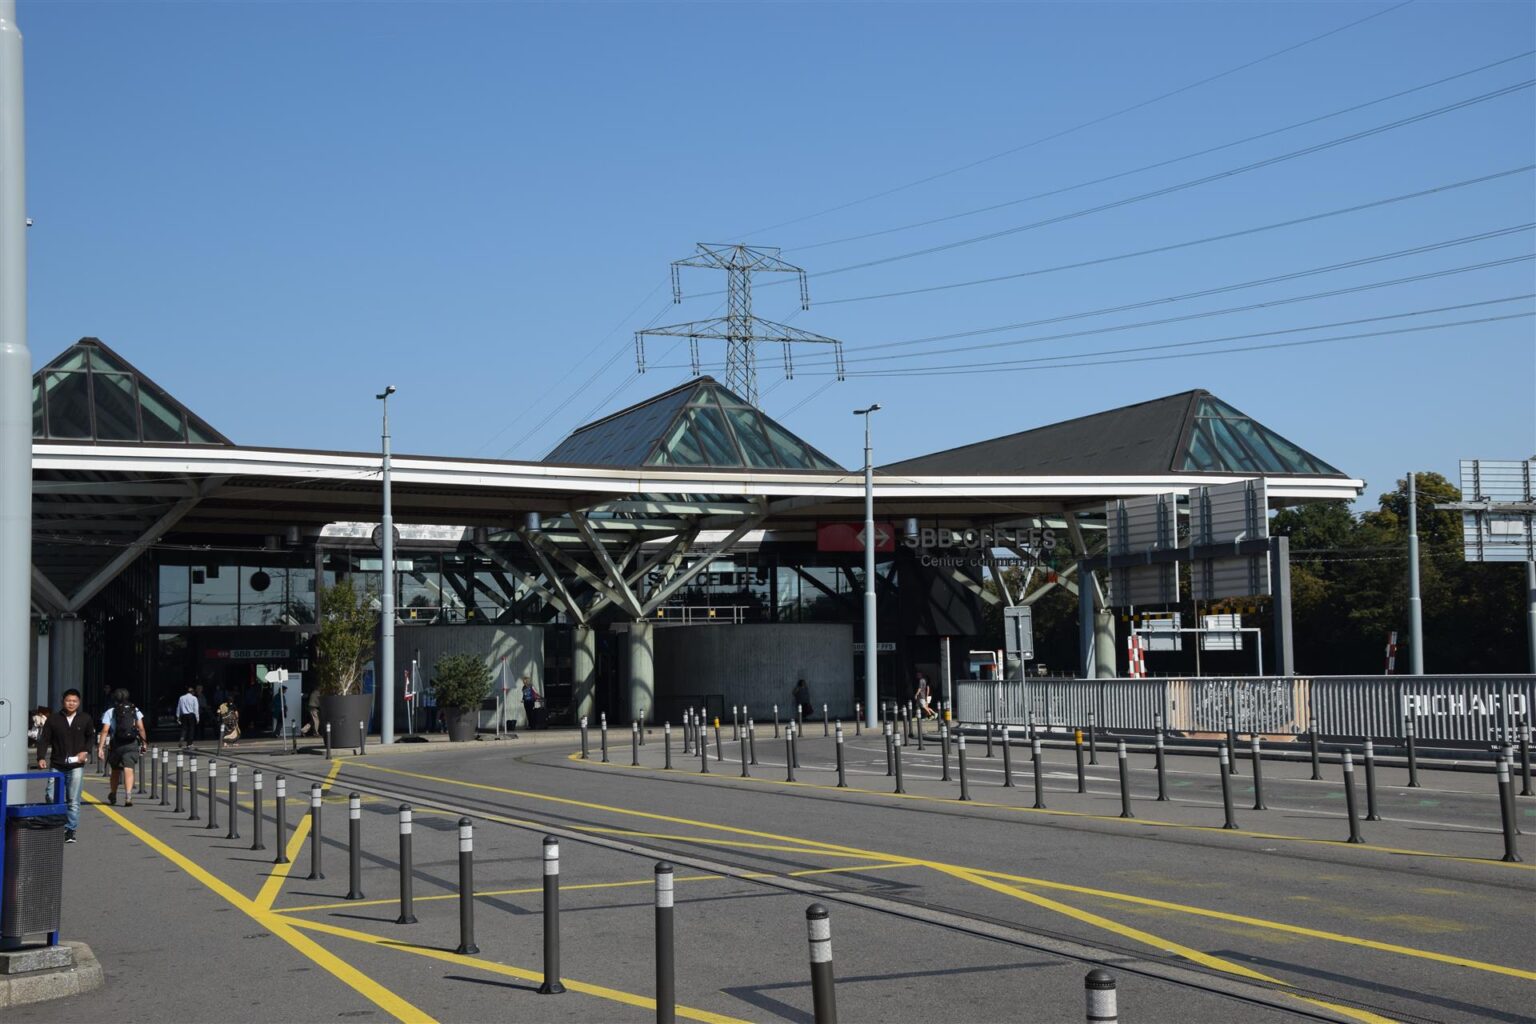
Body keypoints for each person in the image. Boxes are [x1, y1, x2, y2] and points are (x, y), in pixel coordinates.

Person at [35, 689, 96, 843]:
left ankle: (70, 830)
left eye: (74, 701)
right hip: (57, 764)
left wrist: (85, 751)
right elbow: (44, 739)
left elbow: (91, 737)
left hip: (76, 765)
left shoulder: (85, 718)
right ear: (63, 701)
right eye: (69, 700)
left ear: (79, 702)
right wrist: (41, 757)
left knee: (73, 800)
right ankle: (56, 824)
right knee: (50, 795)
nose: (71, 703)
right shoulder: (54, 719)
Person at [97, 688, 146, 807]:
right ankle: (128, 795)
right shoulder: (135, 709)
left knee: (115, 771)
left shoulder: (110, 711)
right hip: (131, 743)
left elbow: (105, 730)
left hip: (116, 744)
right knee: (129, 769)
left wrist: (100, 748)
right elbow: (141, 727)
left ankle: (113, 793)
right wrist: (144, 743)